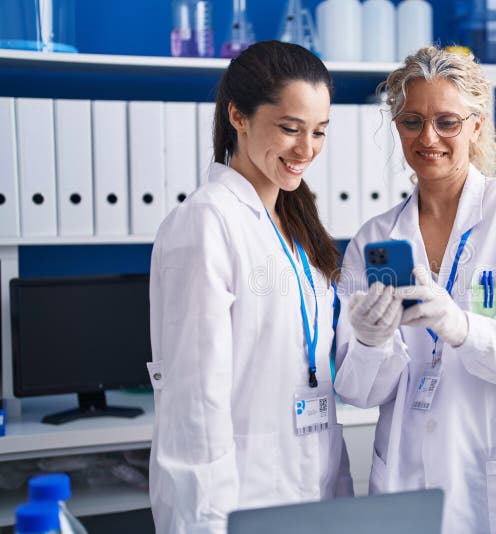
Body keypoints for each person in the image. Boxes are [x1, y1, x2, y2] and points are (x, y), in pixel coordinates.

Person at [334, 46, 496, 533]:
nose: (428, 137)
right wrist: (369, 342)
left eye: (447, 122)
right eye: (412, 121)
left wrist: (463, 328)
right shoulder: (375, 239)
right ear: (397, 126)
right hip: (408, 484)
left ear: (476, 126)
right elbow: (359, 392)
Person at [148, 41, 353, 534]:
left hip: (314, 489)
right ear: (238, 116)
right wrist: (206, 524)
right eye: (290, 128)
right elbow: (196, 404)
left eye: (319, 132)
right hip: (238, 502)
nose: (306, 150)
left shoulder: (295, 225)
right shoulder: (204, 222)